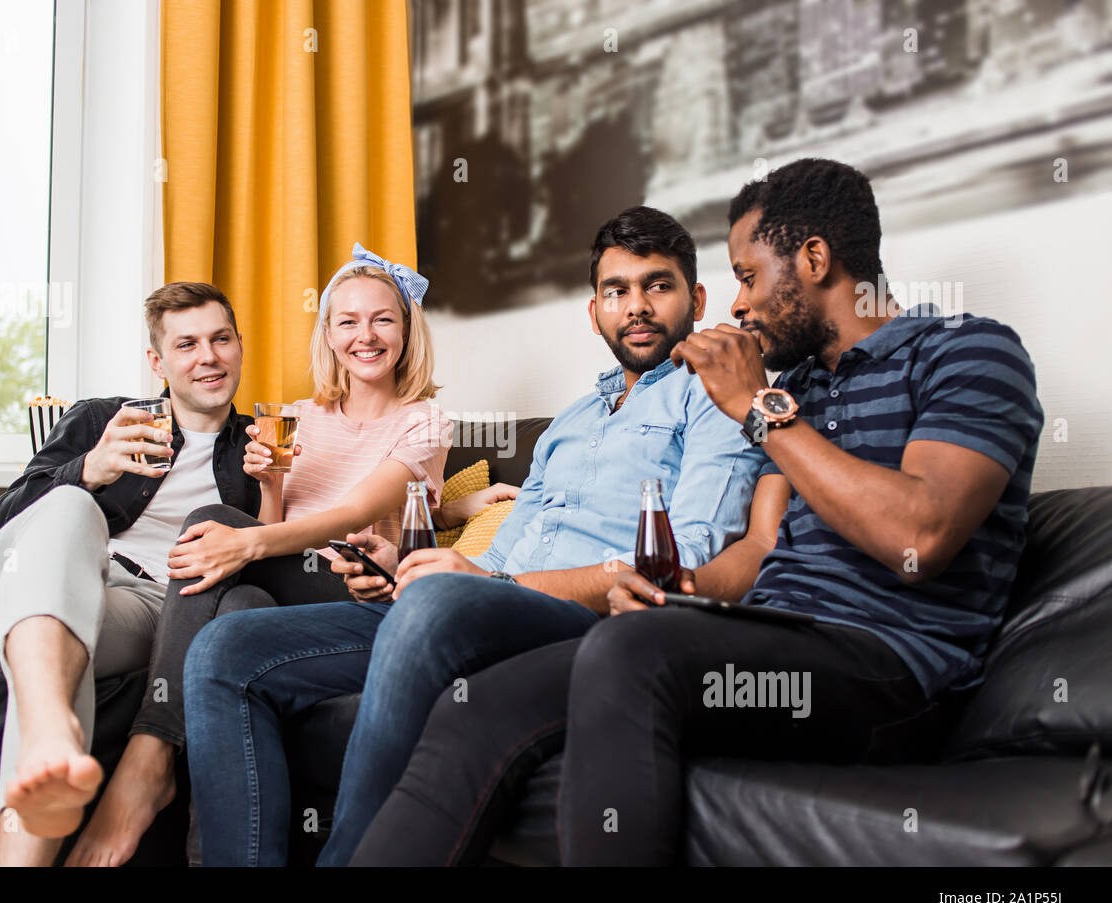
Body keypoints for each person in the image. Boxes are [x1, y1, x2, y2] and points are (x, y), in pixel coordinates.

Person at [353, 157, 1044, 867]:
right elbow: (759, 551)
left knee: (628, 655)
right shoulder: (802, 387)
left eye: (747, 277)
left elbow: (920, 535)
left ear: (813, 259)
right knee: (483, 704)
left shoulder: (969, 352)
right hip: (770, 636)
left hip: (892, 667)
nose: (738, 308)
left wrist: (756, 408)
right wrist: (668, 588)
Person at [183, 205, 766, 865]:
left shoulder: (716, 399)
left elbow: (682, 561)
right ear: (594, 311)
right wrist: (401, 571)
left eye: (657, 286)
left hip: (586, 624)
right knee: (225, 649)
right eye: (616, 291)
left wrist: (483, 585)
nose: (635, 306)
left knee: (437, 601)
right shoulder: (571, 422)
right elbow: (501, 550)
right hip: (481, 609)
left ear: (698, 298)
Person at [65, 244, 465, 865]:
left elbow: (355, 512)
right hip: (283, 591)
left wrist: (245, 537)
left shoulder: (427, 422)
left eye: (384, 319)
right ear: (328, 334)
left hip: (353, 585)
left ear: (407, 330)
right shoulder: (296, 417)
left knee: (211, 524)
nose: (366, 336)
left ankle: (151, 752)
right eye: (348, 321)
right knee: (237, 606)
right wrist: (272, 488)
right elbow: (275, 530)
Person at [0, 281, 260, 866]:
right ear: (157, 361)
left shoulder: (260, 449)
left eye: (220, 339)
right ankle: (53, 726)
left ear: (239, 347)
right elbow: (2, 525)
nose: (207, 356)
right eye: (187, 344)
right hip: (8, 602)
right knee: (73, 506)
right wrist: (89, 469)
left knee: (64, 654)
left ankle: (48, 756)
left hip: (145, 609)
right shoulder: (103, 419)